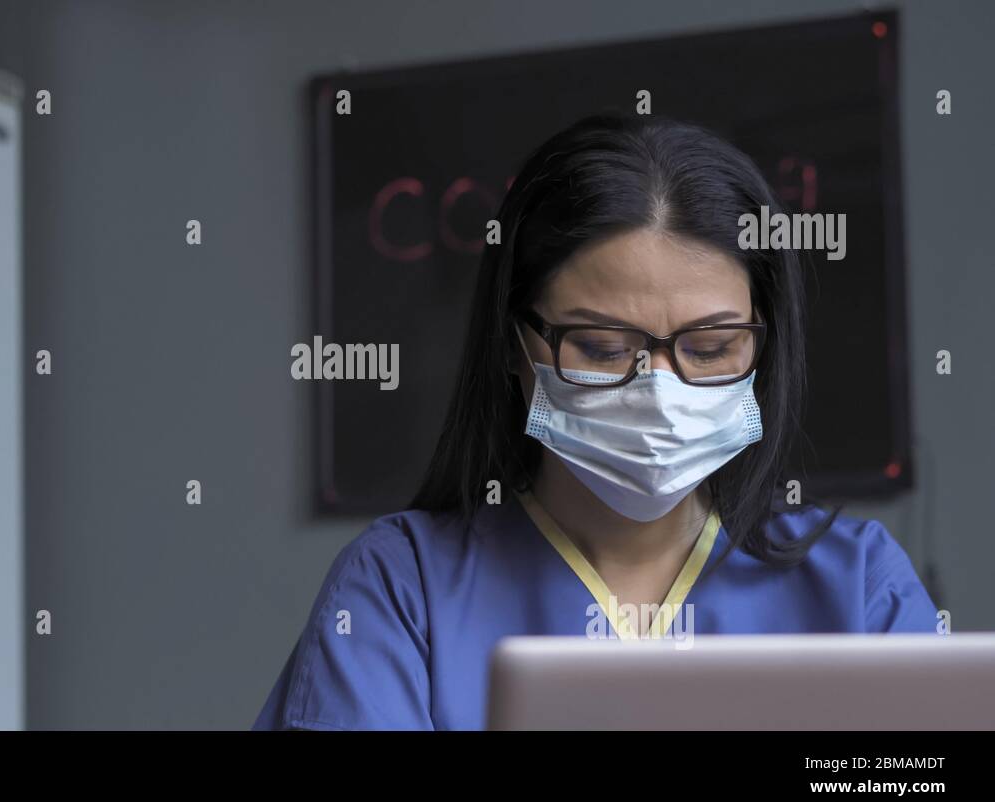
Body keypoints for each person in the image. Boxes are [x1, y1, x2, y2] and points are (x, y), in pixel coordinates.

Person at [254, 114, 938, 731]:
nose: (660, 390)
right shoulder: (402, 591)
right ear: (515, 347)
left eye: (711, 348)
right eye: (605, 349)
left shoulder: (857, 590)